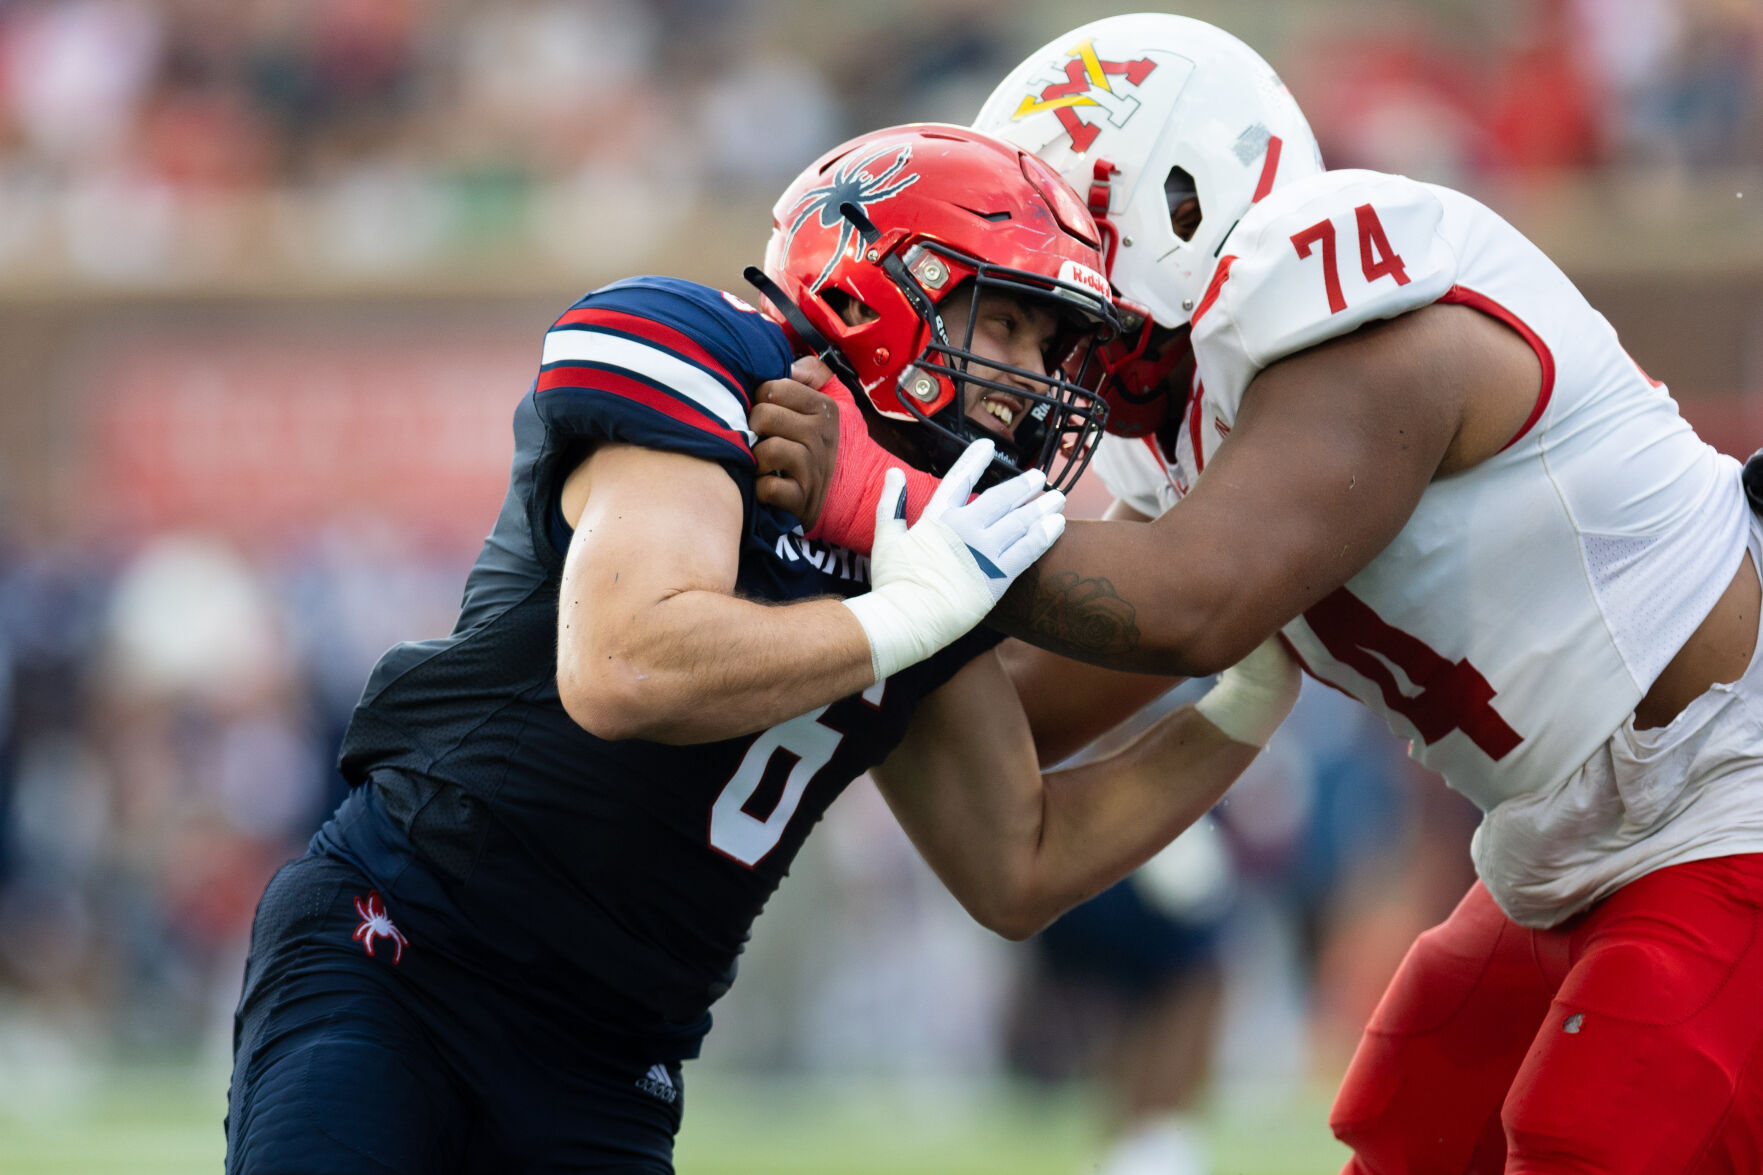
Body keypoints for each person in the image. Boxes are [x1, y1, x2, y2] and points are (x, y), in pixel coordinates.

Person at [749, 16, 1763, 1173]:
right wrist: (844, 615)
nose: (1046, 292)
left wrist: (876, 500)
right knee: (1412, 1116)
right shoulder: (1182, 423)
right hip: (1572, 833)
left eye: (1065, 237)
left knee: (1597, 1130)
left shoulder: (1374, 324)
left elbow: (1192, 601)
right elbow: (1025, 709)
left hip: (1728, 788)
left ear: (1180, 202)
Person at [223, 122, 1302, 1175]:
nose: (1031, 376)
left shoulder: (935, 533)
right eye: (1009, 327)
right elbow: (626, 665)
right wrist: (901, 613)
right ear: (883, 286)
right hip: (405, 947)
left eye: (1046, 345)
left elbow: (1017, 862)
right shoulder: (710, 355)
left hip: (611, 1054)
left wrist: (1247, 699)